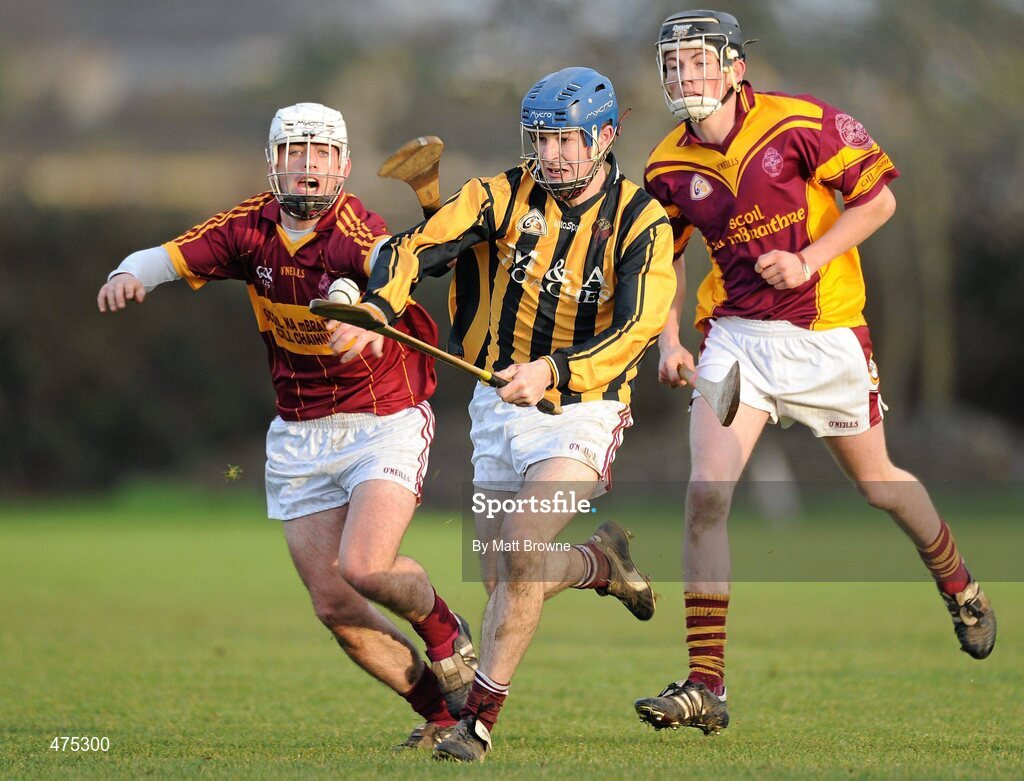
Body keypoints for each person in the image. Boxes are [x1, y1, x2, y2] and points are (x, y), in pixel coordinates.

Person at [634, 10, 997, 735]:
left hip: (827, 334)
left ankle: (958, 582)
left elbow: (879, 201)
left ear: (737, 67)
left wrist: (809, 258)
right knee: (706, 496)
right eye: (673, 64)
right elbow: (663, 258)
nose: (684, 75)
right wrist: (669, 341)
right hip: (736, 337)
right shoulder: (667, 166)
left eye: (699, 60)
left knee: (879, 485)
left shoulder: (802, 122)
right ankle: (707, 683)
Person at [96, 102, 479, 750]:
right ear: (273, 163)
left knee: (364, 565)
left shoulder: (358, 229)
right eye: (295, 153)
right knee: (335, 603)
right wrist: (130, 271)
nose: (308, 167)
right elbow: (170, 254)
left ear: (345, 166)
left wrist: (359, 307)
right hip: (302, 429)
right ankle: (440, 713)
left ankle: (444, 629)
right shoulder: (251, 229)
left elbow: (390, 262)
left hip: (382, 415)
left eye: (323, 155)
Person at [332, 67, 676, 762]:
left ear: (606, 137)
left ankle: (478, 722)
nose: (550, 155)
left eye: (566, 142)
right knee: (503, 577)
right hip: (495, 403)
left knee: (520, 548)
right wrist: (377, 307)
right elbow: (412, 248)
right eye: (541, 140)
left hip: (582, 407)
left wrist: (553, 369)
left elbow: (639, 324)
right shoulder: (496, 194)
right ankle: (597, 563)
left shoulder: (642, 219)